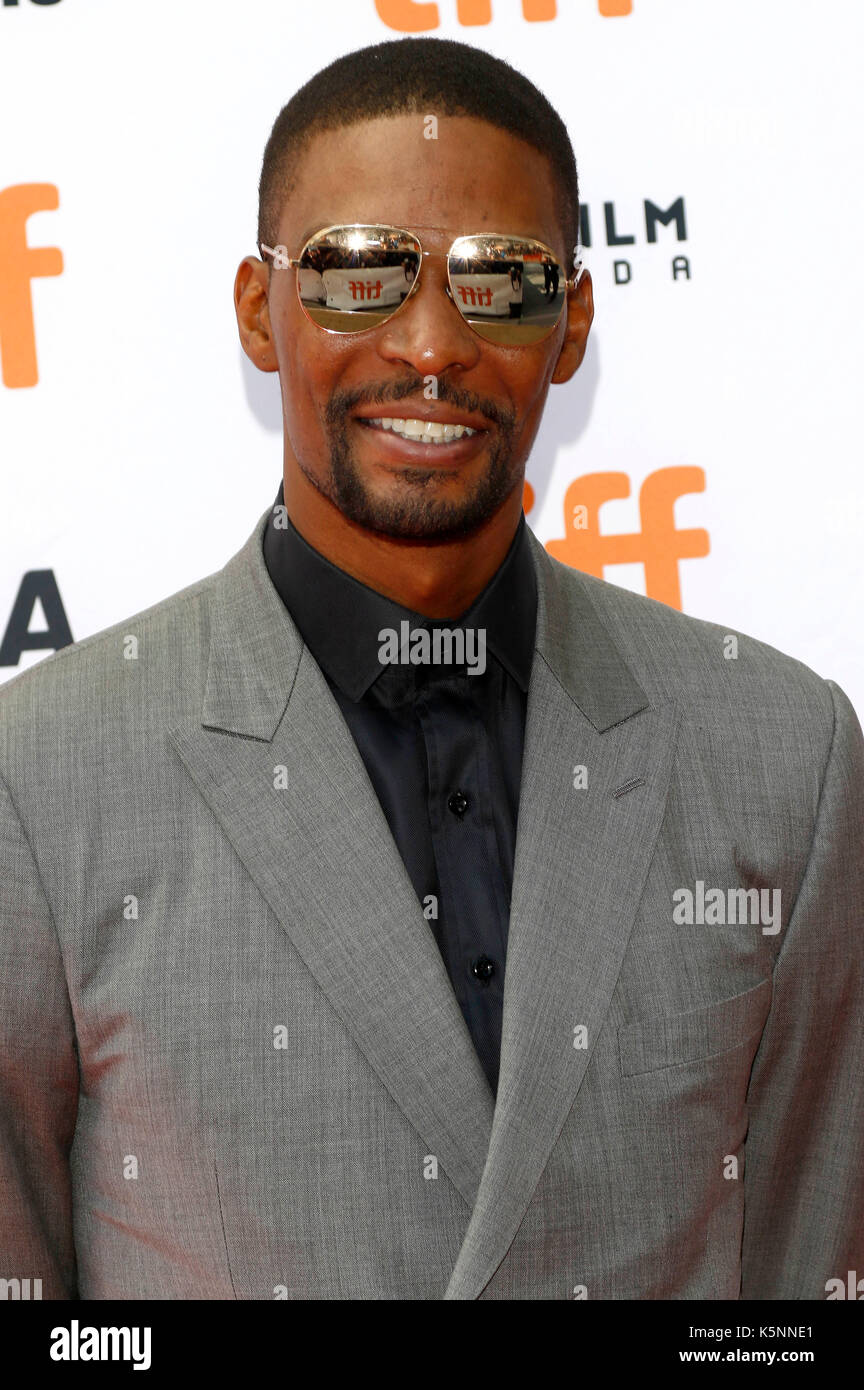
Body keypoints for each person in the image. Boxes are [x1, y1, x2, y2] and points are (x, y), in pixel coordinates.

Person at [1, 36, 862, 1303]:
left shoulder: (786, 760)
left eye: (499, 281)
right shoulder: (42, 776)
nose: (429, 346)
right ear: (259, 308)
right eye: (359, 273)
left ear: (570, 323)